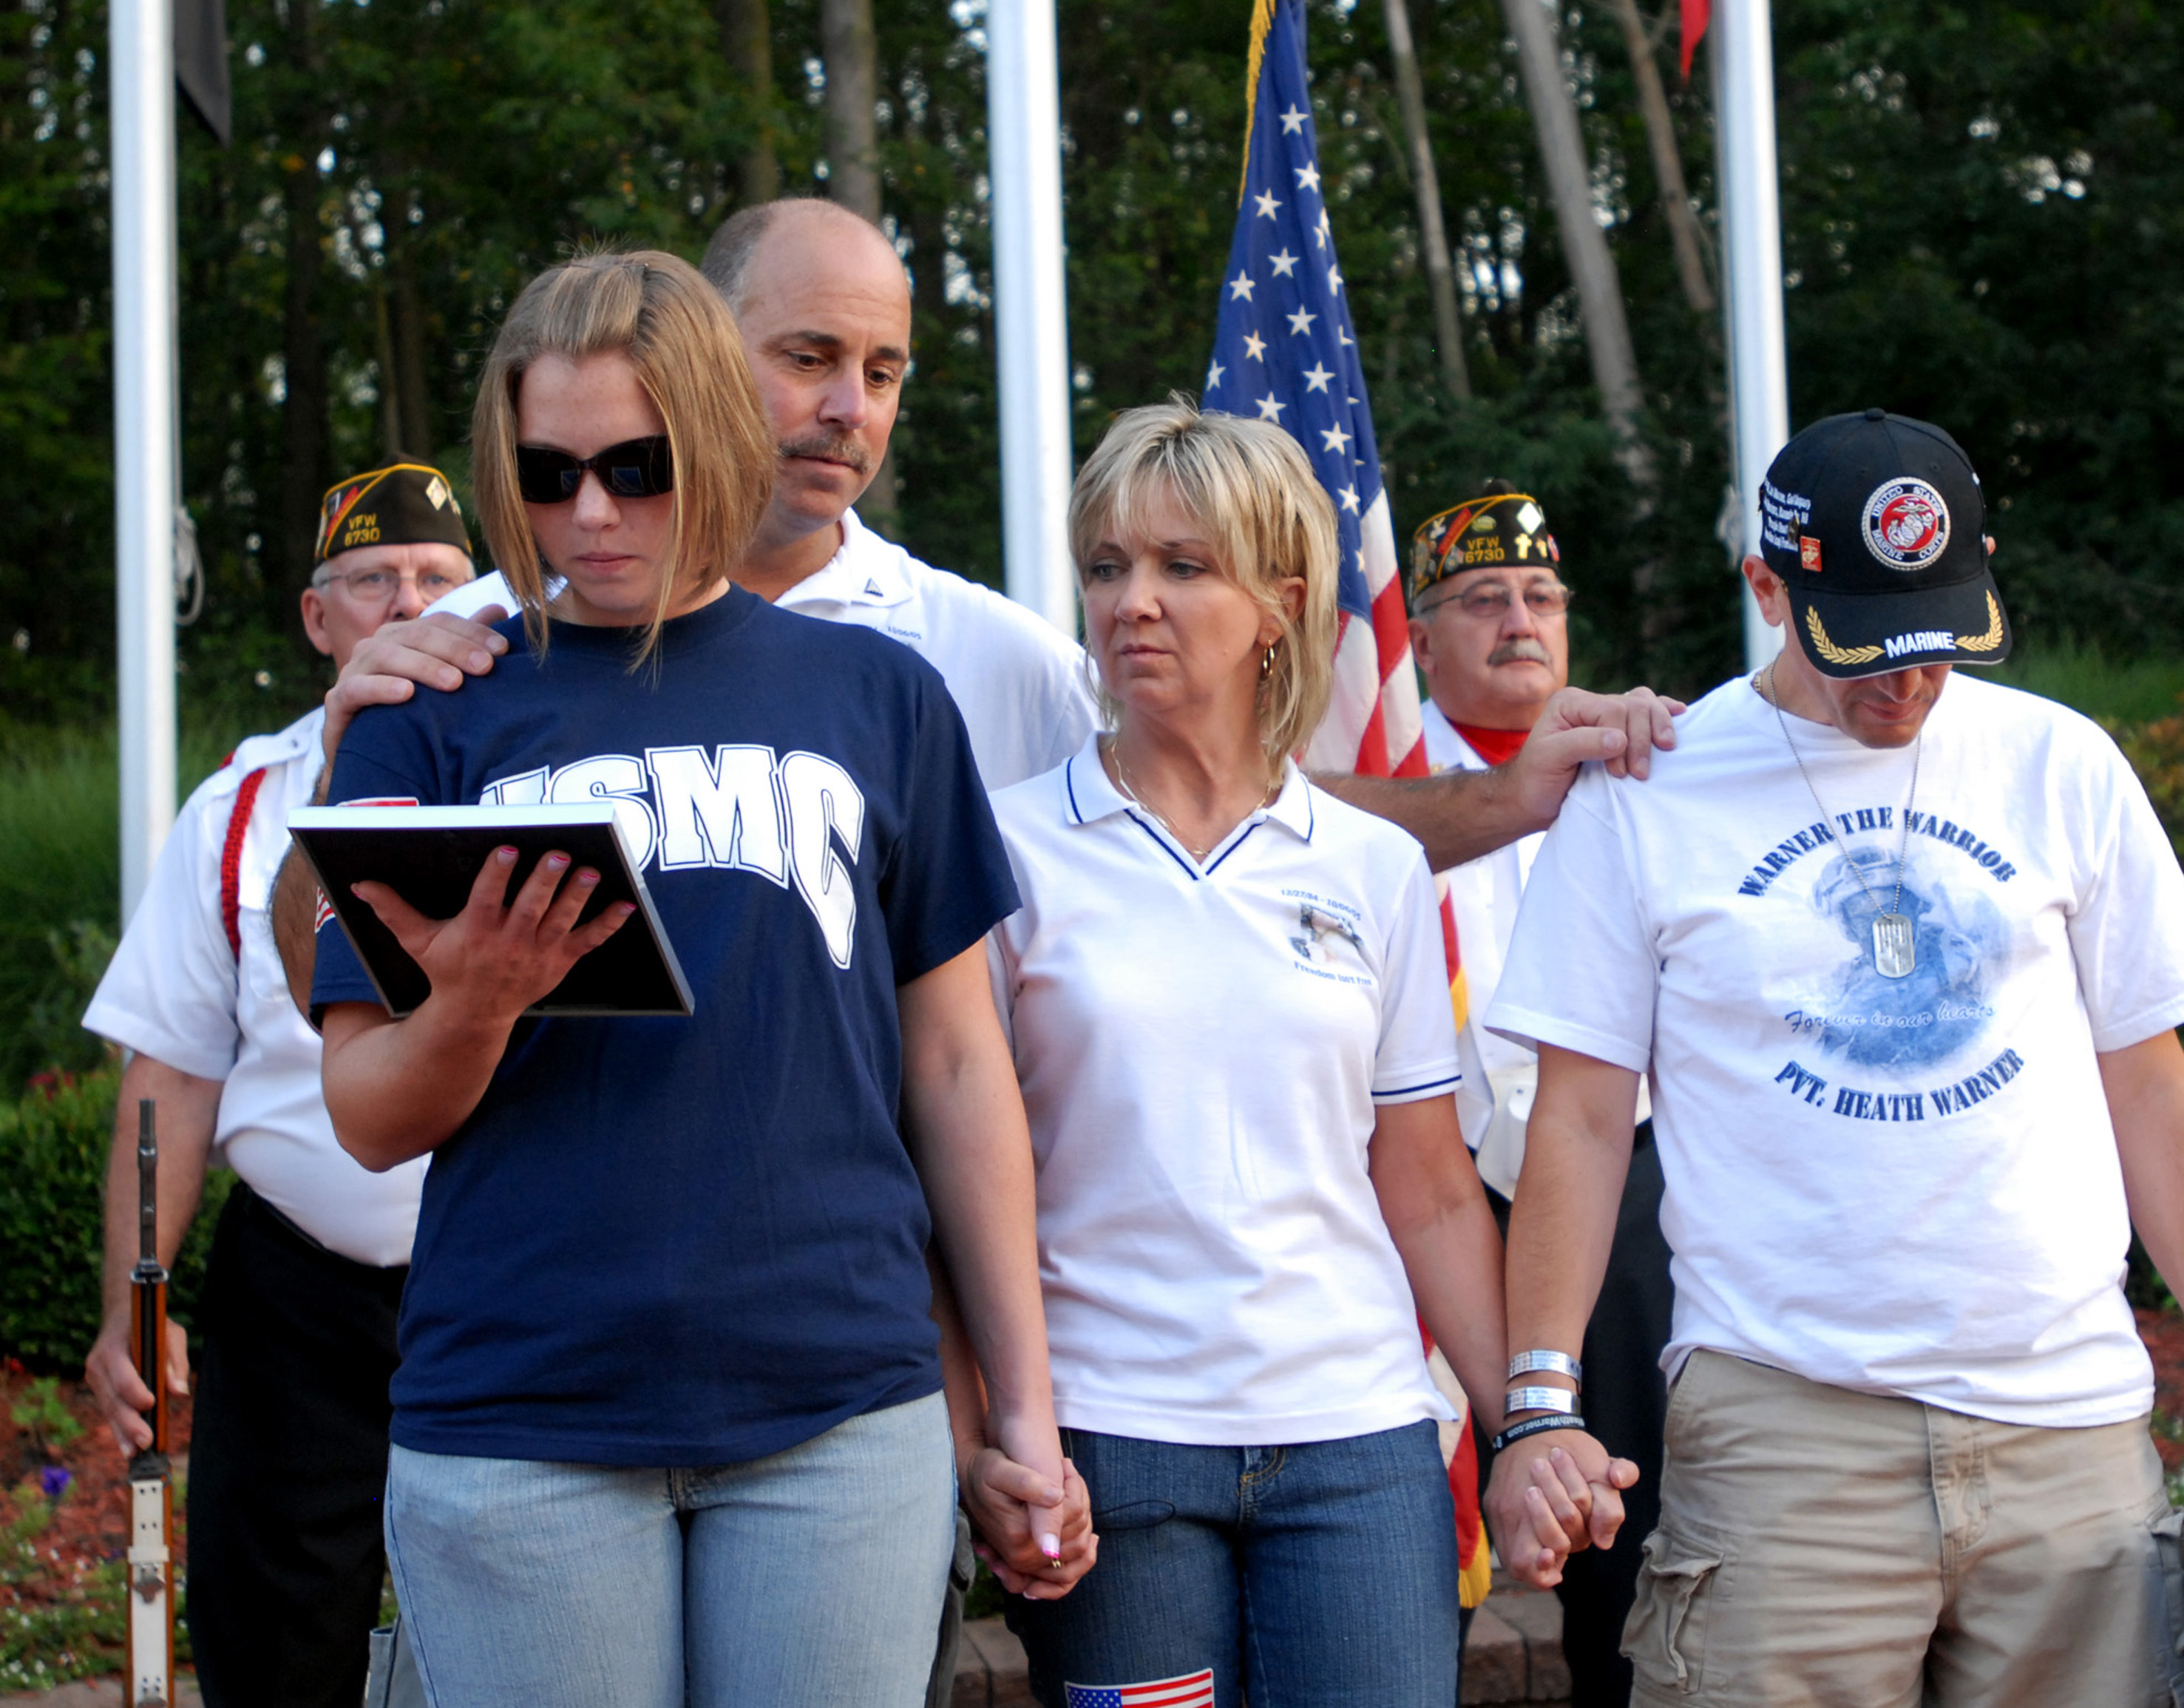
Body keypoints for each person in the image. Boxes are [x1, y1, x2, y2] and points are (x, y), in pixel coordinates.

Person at [307, 250, 1074, 1704]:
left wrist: (1020, 1414)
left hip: (839, 1412)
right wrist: (476, 1001)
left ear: (718, 438)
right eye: (546, 474)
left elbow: (962, 1068)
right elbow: (367, 1113)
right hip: (518, 1417)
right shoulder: (433, 709)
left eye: (638, 466)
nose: (589, 513)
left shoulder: (882, 694)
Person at [1482, 409, 2184, 1705]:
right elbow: (1578, 1124)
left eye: (1935, 644)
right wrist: (1541, 1405)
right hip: (1786, 1433)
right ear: (1765, 586)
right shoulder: (1646, 791)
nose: (1906, 686)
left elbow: (2150, 1088)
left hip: (2068, 1428)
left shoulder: (2060, 762)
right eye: (1863, 645)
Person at [986, 401, 1516, 1707]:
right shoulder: (1002, 850)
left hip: (1359, 1445)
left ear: (1280, 603)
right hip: (1110, 1452)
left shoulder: (1377, 865)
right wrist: (997, 1438)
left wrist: (1530, 1423)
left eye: (1182, 566)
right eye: (1107, 567)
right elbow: (957, 1185)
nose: (1133, 604)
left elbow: (1433, 1187)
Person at [77, 465, 474, 1708]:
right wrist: (127, 1311)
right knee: (278, 1645)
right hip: (297, 1299)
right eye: (373, 582)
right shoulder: (242, 805)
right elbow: (171, 1080)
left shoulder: (541, 768)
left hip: (502, 1277)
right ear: (320, 619)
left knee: (531, 1634)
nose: (407, 605)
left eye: (438, 581)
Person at [1405, 483, 1665, 1708]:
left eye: (1542, 595)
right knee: (1423, 1534)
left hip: (1615, 1194)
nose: (1520, 619)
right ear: (1418, 632)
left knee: (1631, 1520)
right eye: (1483, 598)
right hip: (1428, 1185)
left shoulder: (1644, 774)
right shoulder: (1379, 791)